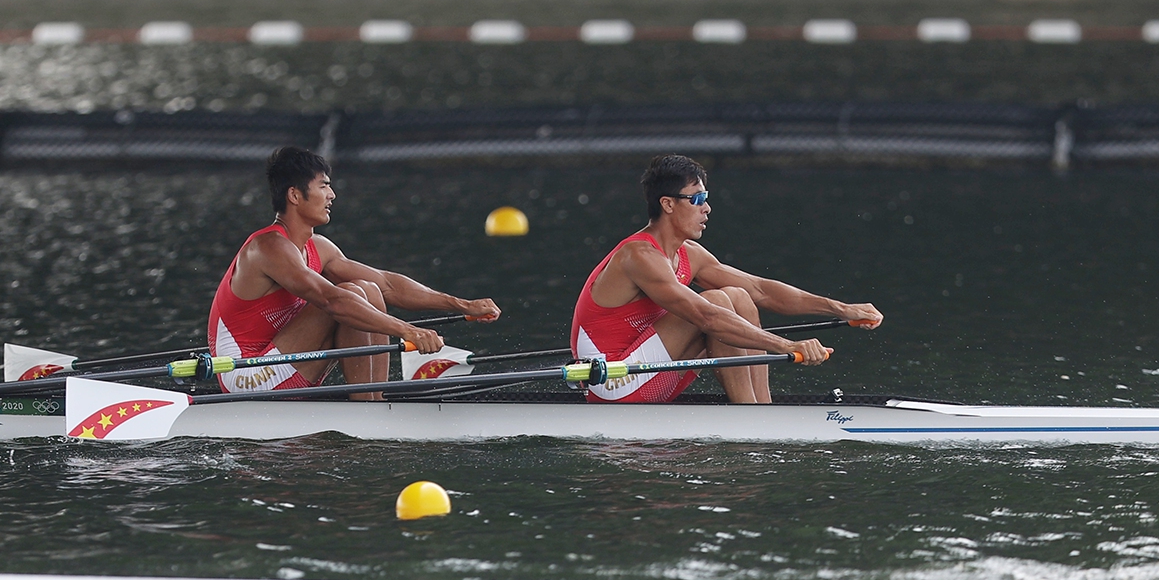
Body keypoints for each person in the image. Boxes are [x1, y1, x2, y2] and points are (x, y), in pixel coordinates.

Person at [570, 155, 883, 404]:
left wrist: (840, 308)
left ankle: (760, 409)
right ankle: (750, 417)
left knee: (739, 296)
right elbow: (706, 316)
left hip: (651, 374)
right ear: (667, 204)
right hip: (612, 382)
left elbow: (762, 291)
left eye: (706, 197)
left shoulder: (689, 254)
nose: (706, 208)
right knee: (716, 301)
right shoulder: (639, 256)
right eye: (696, 198)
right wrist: (786, 346)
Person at [207, 146, 500, 398]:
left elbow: (387, 285)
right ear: (295, 195)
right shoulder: (267, 247)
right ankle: (369, 411)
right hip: (244, 376)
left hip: (281, 363)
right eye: (323, 186)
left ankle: (372, 402)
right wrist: (407, 331)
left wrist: (461, 304)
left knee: (367, 289)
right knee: (347, 294)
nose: (332, 194)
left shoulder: (318, 248)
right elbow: (331, 301)